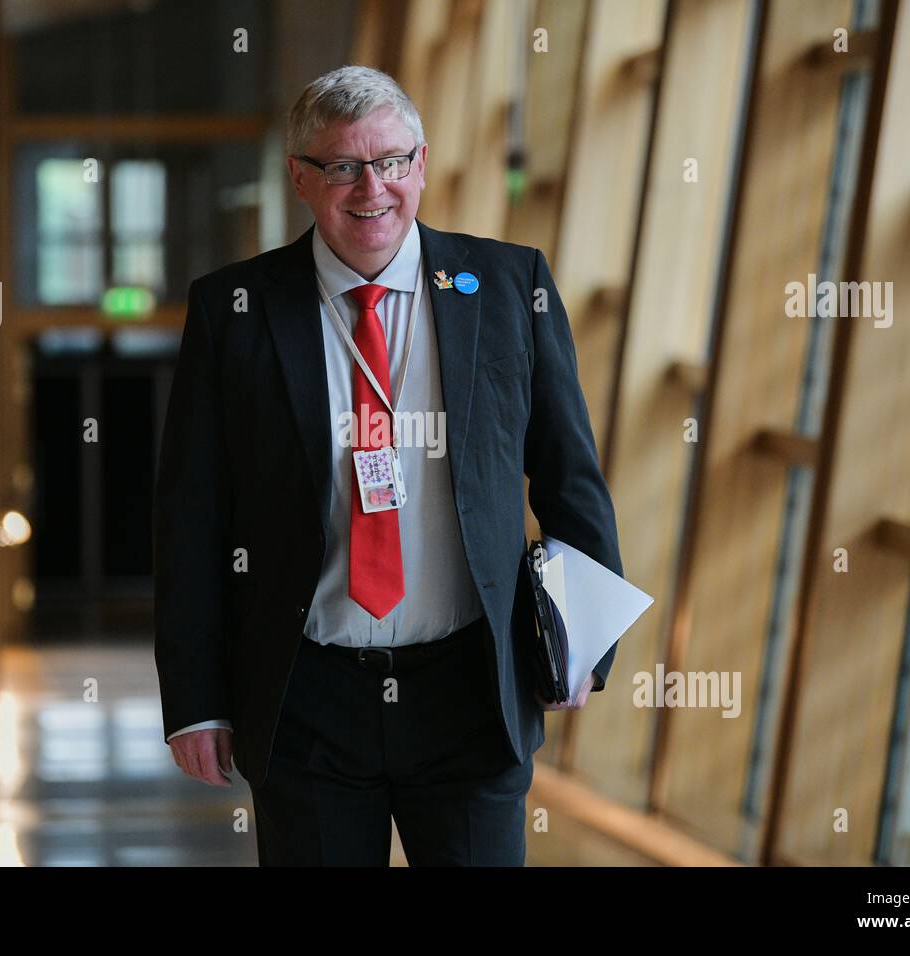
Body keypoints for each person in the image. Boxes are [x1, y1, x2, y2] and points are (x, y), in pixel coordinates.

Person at [154, 65, 623, 866]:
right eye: (342, 165)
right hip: (307, 699)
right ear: (301, 177)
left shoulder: (511, 286)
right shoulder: (234, 310)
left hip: (470, 691)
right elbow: (191, 516)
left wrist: (584, 640)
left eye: (392, 161)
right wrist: (195, 702)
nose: (371, 187)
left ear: (424, 164)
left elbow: (569, 475)